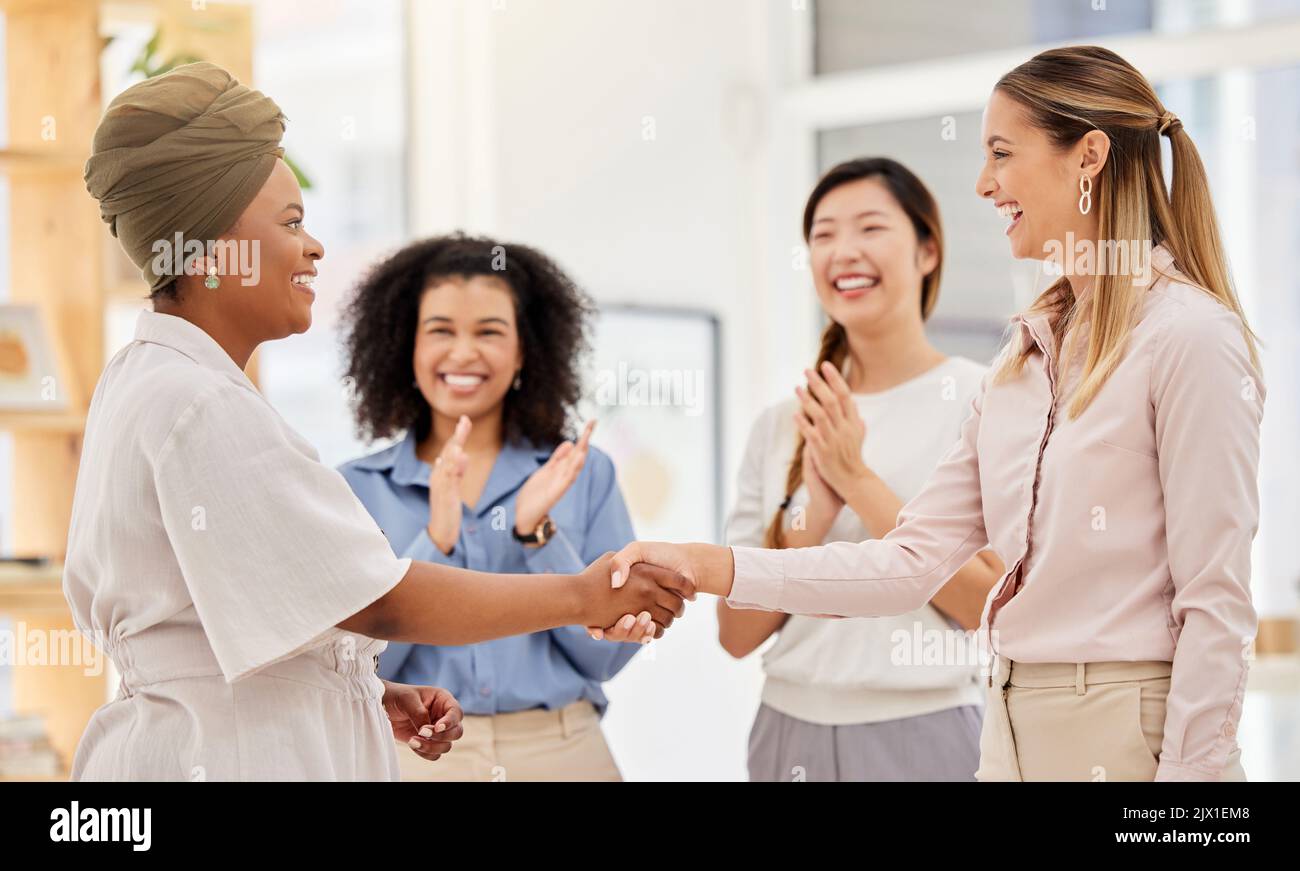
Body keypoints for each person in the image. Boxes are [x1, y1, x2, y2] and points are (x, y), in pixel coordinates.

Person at [610, 46, 1264, 782]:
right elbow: (907, 563)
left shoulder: (1189, 337)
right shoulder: (1020, 360)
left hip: (1127, 728)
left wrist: (1188, 807)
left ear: (1088, 157)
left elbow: (1215, 602)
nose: (984, 184)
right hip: (1010, 724)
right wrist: (704, 564)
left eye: (1001, 154)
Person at [66, 62, 688, 781]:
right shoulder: (199, 404)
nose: (315, 246)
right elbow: (383, 602)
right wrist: (582, 591)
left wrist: (361, 689)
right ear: (211, 252)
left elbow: (220, 629)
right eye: (292, 223)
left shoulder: (157, 383)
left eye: (489, 331)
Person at [720, 158, 1003, 781]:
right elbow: (736, 633)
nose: (843, 251)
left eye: (870, 228)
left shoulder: (985, 399)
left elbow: (993, 607)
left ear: (928, 251)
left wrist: (856, 481)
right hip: (785, 730)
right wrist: (812, 514)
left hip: (927, 731)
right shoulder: (781, 423)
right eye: (823, 235)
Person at [338, 234, 647, 781]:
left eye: (489, 332)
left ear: (524, 351)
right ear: (405, 347)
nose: (462, 352)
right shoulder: (355, 488)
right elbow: (356, 667)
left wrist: (537, 535)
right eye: (440, 331)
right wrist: (436, 539)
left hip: (563, 749)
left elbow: (608, 656)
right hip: (421, 756)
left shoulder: (583, 472)